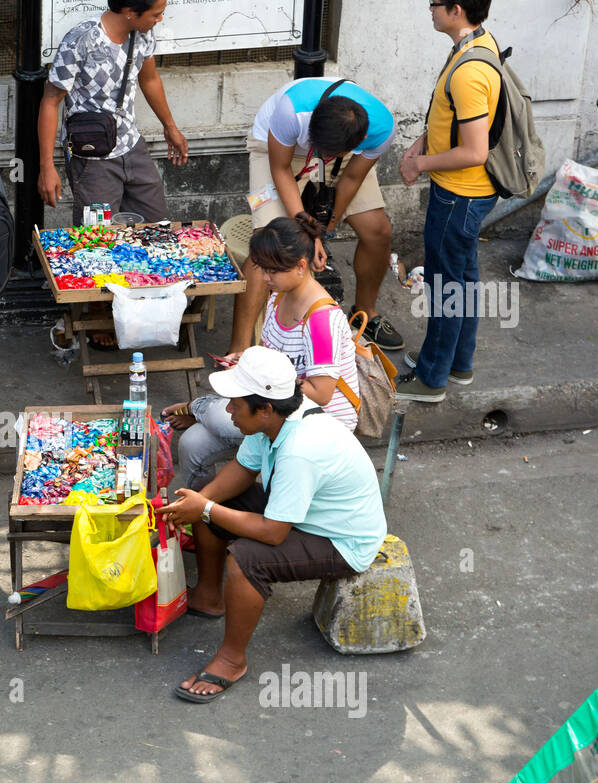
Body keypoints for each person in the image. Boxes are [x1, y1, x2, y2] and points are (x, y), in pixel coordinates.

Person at [158, 347, 386, 703]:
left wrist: (206, 511)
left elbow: (272, 532)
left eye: (235, 404)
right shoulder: (274, 420)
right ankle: (207, 596)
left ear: (264, 408)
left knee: (247, 558)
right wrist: (198, 503)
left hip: (341, 540)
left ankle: (232, 660)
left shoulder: (300, 449)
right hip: (304, 514)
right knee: (207, 498)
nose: (228, 410)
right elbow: (243, 469)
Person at [165, 214, 359, 490]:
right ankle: (201, 516)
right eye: (262, 269)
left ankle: (197, 407)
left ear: (301, 266)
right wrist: (246, 365)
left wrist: (259, 380)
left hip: (317, 419)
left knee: (221, 415)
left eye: (273, 271)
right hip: (277, 406)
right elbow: (272, 360)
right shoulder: (277, 298)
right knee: (192, 444)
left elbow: (322, 392)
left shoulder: (320, 320)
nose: (265, 278)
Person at [38, 0, 187, 345]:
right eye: (155, 13)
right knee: (96, 240)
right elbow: (50, 101)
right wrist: (48, 166)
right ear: (131, 12)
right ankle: (97, 316)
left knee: (157, 226)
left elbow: (149, 79)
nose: (160, 19)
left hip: (131, 147)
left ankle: (149, 305)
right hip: (92, 157)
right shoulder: (82, 40)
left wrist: (170, 127)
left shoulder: (142, 36)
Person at [234, 77, 398, 353]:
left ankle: (365, 314)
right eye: (323, 151)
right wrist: (307, 232)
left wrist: (325, 227)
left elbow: (352, 178)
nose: (325, 156)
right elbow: (281, 169)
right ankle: (239, 348)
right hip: (280, 151)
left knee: (378, 230)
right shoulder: (291, 111)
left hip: (341, 149)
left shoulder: (381, 128)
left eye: (332, 153)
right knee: (267, 243)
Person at [395, 0, 500, 403]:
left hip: (460, 195)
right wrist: (422, 143)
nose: (429, 8)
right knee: (462, 278)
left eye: (435, 3)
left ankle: (432, 378)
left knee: (444, 287)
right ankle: (458, 361)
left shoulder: (469, 72)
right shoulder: (476, 45)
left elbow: (474, 151)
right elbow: (449, 118)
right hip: (465, 193)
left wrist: (419, 164)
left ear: (456, 9)